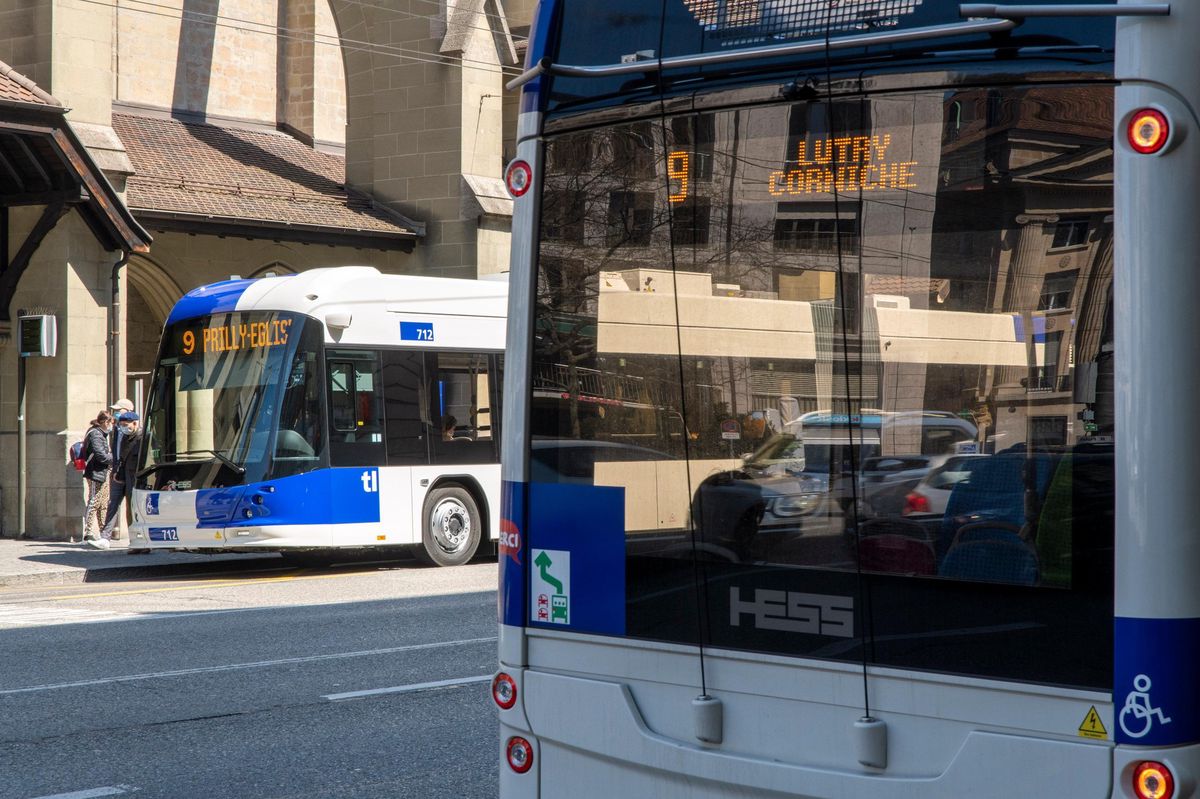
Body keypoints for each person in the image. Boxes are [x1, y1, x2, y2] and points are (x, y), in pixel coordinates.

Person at [99, 411, 142, 545]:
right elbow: (121, 457)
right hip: (121, 475)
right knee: (113, 504)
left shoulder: (142, 438)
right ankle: (105, 537)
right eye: (121, 424)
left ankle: (136, 540)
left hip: (135, 477)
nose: (123, 427)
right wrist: (117, 473)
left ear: (135, 423)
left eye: (125, 424)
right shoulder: (123, 436)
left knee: (133, 509)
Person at [81, 411, 115, 548]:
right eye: (111, 423)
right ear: (106, 422)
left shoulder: (101, 434)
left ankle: (103, 531)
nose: (112, 426)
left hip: (103, 471)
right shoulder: (96, 434)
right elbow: (100, 455)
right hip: (96, 471)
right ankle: (88, 531)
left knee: (103, 503)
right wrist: (115, 458)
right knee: (94, 500)